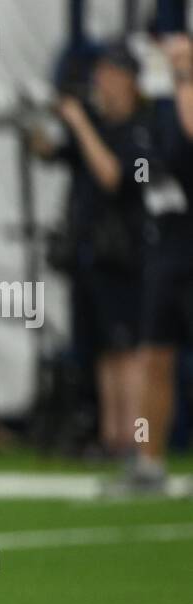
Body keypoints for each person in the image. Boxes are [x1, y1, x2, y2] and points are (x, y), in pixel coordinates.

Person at [36, 43, 147, 465]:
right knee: (102, 349)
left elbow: (113, 177)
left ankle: (137, 440)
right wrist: (44, 115)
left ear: (129, 80)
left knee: (129, 349)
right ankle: (112, 437)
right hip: (89, 255)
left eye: (109, 73)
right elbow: (45, 150)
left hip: (125, 254)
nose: (102, 82)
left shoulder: (138, 130)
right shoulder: (95, 124)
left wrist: (81, 125)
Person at [123, 33, 193, 494]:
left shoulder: (183, 97)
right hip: (167, 249)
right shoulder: (152, 113)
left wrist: (185, 73)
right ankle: (149, 461)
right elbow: (137, 170)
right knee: (153, 356)